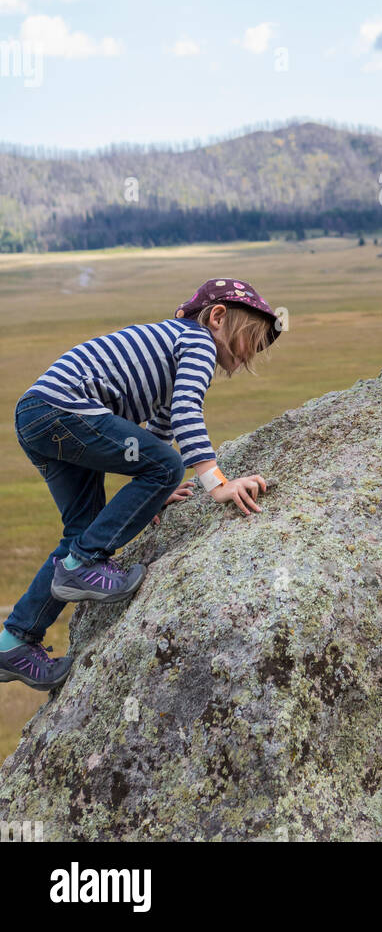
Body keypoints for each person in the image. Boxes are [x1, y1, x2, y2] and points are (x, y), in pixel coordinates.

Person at [0, 278, 281, 691]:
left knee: (83, 532)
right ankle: (84, 566)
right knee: (166, 466)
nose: (244, 359)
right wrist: (216, 483)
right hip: (64, 409)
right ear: (218, 318)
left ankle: (15, 641)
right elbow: (186, 414)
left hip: (39, 416)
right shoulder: (199, 341)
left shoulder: (172, 345)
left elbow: (161, 426)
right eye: (249, 342)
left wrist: (157, 489)